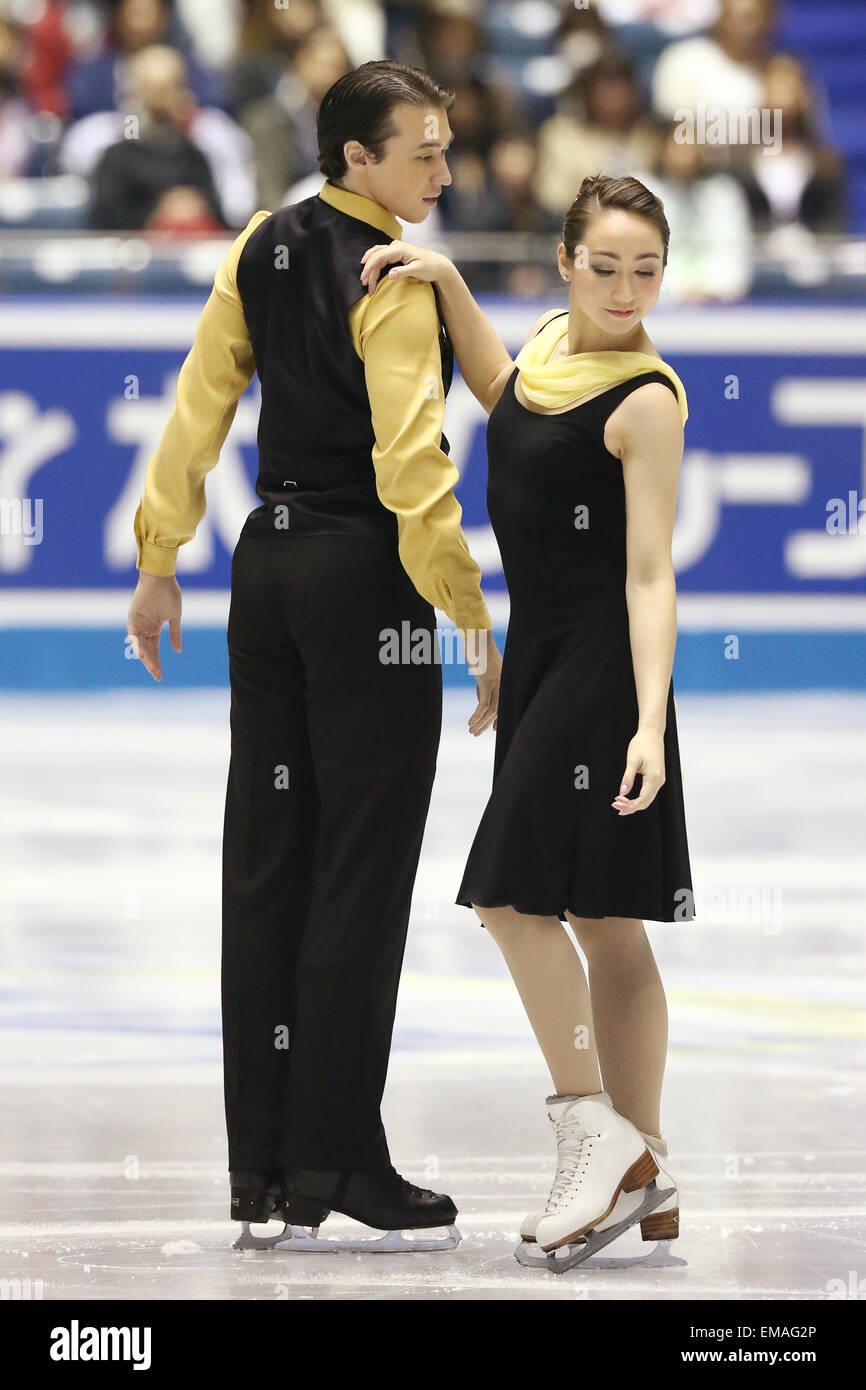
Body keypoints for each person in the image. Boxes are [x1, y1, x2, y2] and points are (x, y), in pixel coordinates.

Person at [126, 59, 502, 1249]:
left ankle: (265, 1172)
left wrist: (158, 554)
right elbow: (411, 463)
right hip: (366, 579)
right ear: (356, 158)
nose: (442, 172)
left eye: (444, 150)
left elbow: (199, 407)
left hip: (268, 568)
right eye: (421, 153)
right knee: (359, 868)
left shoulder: (263, 242)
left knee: (268, 858)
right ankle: (336, 1157)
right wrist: (468, 610)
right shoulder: (393, 276)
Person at [360, 171, 695, 1268]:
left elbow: (650, 576)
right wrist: (451, 281)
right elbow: (507, 393)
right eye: (602, 265)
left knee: (505, 894)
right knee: (603, 919)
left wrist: (649, 723)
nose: (622, 288)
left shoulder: (646, 398)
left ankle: (590, 1131)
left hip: (603, 669)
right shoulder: (549, 342)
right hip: (543, 652)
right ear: (562, 261)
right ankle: (642, 1166)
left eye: (643, 270)